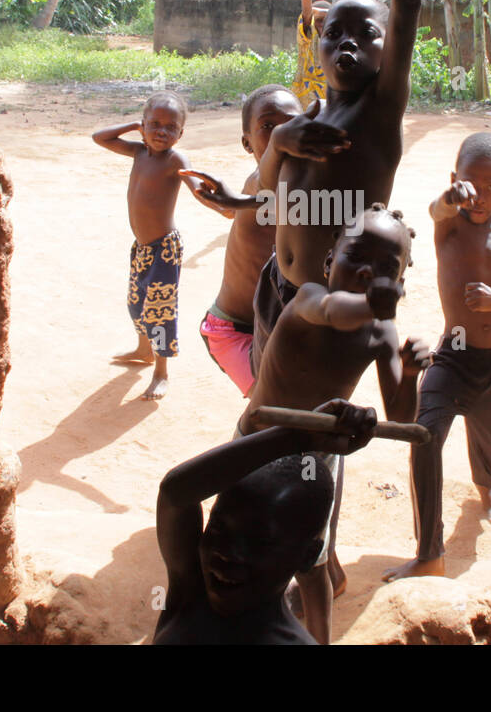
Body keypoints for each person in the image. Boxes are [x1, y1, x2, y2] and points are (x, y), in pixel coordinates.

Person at [250, 0, 483, 376]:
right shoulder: (309, 118)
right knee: (269, 408)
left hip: (333, 309)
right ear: (317, 44)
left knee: (304, 414)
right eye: (334, 33)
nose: (346, 44)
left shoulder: (378, 112)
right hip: (277, 289)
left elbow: (405, 0)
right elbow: (270, 194)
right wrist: (277, 144)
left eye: (366, 34)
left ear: (387, 51)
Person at [236, 203, 432, 643]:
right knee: (240, 537)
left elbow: (401, 416)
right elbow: (332, 311)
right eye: (356, 256)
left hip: (316, 458)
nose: (367, 272)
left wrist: (410, 374)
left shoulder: (381, 333)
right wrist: (371, 303)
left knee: (312, 562)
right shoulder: (309, 298)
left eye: (387, 268)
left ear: (401, 281)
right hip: (257, 442)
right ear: (329, 261)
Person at [383, 132, 491, 582]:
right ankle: (428, 552)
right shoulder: (449, 226)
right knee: (424, 438)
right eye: (472, 184)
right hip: (452, 358)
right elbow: (436, 210)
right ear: (455, 179)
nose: (481, 196)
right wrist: (448, 199)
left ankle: (485, 483)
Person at [154, 399, 377, 645]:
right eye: (218, 529)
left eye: (257, 542)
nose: (228, 553)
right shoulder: (192, 589)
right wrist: (295, 438)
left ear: (308, 555)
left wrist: (294, 439)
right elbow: (174, 493)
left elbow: (175, 492)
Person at [92, 91, 228, 400]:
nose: (161, 132)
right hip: (141, 247)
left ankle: (161, 372)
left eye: (170, 127)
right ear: (143, 125)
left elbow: (197, 189)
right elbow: (99, 137)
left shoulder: (175, 160)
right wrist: (133, 126)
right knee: (136, 303)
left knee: (159, 312)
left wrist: (223, 208)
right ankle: (144, 350)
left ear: (181, 133)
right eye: (154, 124)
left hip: (164, 249)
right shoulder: (139, 152)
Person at [180, 85, 302, 396]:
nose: (281, 134)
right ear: (247, 143)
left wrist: (230, 204)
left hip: (279, 327)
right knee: (272, 399)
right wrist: (236, 202)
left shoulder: (307, 183)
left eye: (291, 123)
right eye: (268, 126)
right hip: (235, 329)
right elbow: (269, 195)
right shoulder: (258, 181)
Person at [292, 0, 329, 109]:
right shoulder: (308, 35)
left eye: (326, 21)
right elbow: (307, 12)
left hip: (327, 100)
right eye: (319, 20)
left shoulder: (337, 40)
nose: (321, 25)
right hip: (304, 99)